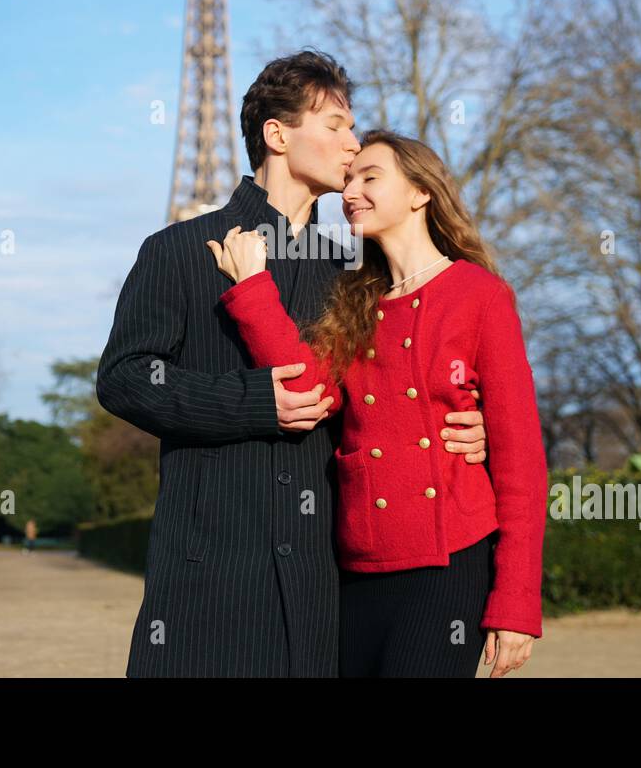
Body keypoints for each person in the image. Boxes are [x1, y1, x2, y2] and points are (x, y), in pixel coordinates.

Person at [96, 49, 491, 677]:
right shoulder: (177, 251)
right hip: (208, 580)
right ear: (277, 135)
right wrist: (252, 401)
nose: (351, 143)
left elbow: (402, 392)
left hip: (322, 588)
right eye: (334, 125)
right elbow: (122, 378)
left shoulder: (354, 277)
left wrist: (474, 430)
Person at [208, 128, 548, 677]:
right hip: (358, 566)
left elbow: (521, 463)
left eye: (371, 177)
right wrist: (253, 286)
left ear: (421, 193)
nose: (350, 192)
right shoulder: (353, 301)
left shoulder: (479, 295)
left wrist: (515, 604)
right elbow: (307, 391)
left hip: (448, 561)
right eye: (348, 180)